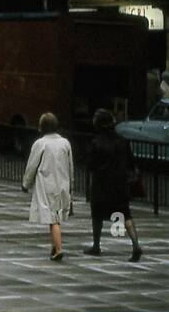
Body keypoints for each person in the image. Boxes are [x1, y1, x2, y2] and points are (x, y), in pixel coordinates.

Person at [85, 109, 143, 261]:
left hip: (102, 184)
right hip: (120, 183)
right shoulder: (123, 141)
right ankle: (136, 244)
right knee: (126, 214)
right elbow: (130, 163)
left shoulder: (96, 142)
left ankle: (96, 245)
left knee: (97, 214)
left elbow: (90, 165)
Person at [22, 112, 74, 261]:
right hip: (63, 183)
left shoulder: (40, 143)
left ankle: (58, 249)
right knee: (56, 215)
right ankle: (54, 245)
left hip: (47, 183)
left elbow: (31, 166)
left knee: (53, 218)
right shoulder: (65, 143)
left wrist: (26, 183)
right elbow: (71, 167)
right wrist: (72, 187)